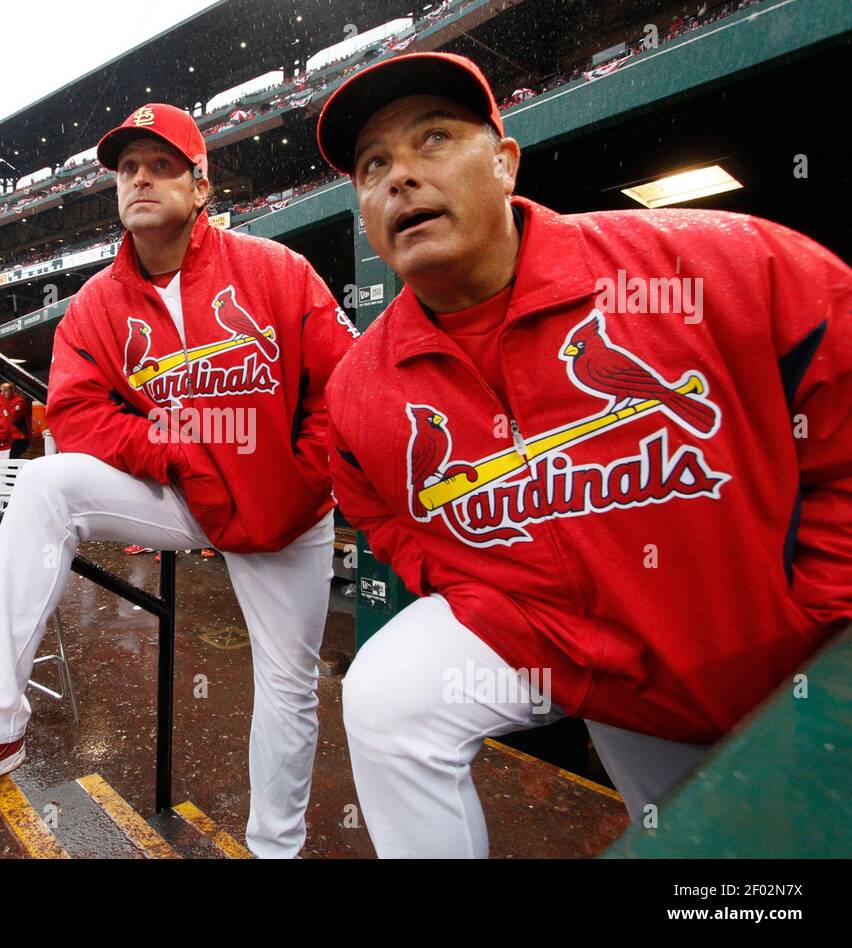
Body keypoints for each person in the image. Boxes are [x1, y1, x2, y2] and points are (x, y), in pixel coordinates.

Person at [315, 52, 852, 857]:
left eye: (434, 138)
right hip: (582, 663)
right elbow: (375, 510)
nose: (400, 178)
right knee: (391, 694)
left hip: (775, 656)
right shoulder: (362, 385)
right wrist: (474, 587)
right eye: (373, 166)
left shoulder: (712, 263)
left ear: (504, 162)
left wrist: (819, 605)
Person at [0, 103, 358, 856]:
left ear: (201, 188)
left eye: (162, 164)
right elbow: (75, 417)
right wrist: (176, 452)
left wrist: (304, 478)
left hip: (288, 505)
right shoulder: (99, 304)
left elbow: (342, 388)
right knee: (45, 487)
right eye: (128, 168)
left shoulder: (275, 270)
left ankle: (275, 847)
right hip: (188, 494)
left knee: (288, 684)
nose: (140, 177)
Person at [0, 381, 30, 458]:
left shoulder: (19, 401)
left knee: (14, 460)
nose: (2, 393)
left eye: (5, 390)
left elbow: (12, 418)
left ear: (12, 390)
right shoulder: (3, 402)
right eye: (1, 391)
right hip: (8, 437)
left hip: (19, 437)